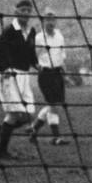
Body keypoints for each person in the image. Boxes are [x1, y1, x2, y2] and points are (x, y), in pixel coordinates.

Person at [0, 0, 38, 160]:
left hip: (24, 75)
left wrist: (37, 65)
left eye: (28, 10)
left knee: (28, 115)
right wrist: (5, 69)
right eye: (22, 10)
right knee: (15, 113)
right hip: (10, 76)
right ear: (16, 11)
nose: (26, 13)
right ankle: (1, 151)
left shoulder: (31, 32)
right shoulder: (9, 30)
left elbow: (30, 54)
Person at [30, 10, 69, 145]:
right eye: (47, 20)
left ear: (56, 21)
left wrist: (63, 65)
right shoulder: (39, 38)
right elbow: (33, 55)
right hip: (45, 74)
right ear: (43, 21)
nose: (50, 22)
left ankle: (33, 128)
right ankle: (56, 137)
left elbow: (62, 52)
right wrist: (36, 65)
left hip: (57, 73)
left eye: (53, 19)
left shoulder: (59, 35)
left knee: (53, 104)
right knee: (53, 105)